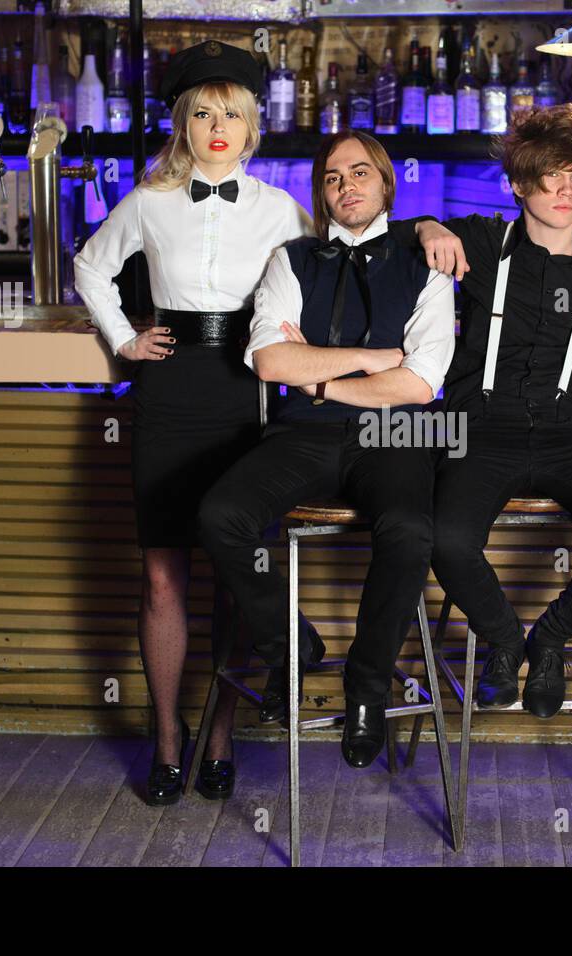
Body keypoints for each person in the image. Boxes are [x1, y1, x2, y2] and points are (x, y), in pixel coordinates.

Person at [74, 40, 313, 806]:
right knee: (162, 574)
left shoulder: (281, 209)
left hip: (248, 393)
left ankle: (220, 734)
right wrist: (123, 338)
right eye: (203, 113)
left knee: (235, 575)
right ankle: (168, 738)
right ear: (184, 124)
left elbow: (317, 281)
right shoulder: (147, 203)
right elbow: (89, 265)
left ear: (251, 129)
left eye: (232, 115)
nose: (217, 127)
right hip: (171, 387)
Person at [198, 130, 456, 768]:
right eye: (334, 178)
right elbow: (267, 360)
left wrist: (313, 373)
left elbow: (421, 382)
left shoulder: (428, 263)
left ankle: (367, 689)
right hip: (303, 431)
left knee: (409, 530)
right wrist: (370, 362)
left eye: (360, 172)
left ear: (386, 183)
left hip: (392, 432)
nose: (346, 186)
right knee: (219, 515)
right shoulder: (292, 260)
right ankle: (289, 644)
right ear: (322, 192)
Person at [399, 104, 572, 719]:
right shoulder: (485, 241)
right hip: (482, 429)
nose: (568, 191)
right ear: (519, 184)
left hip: (568, 434)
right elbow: (389, 230)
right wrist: (424, 228)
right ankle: (505, 639)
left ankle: (549, 640)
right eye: (552, 177)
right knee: (446, 537)